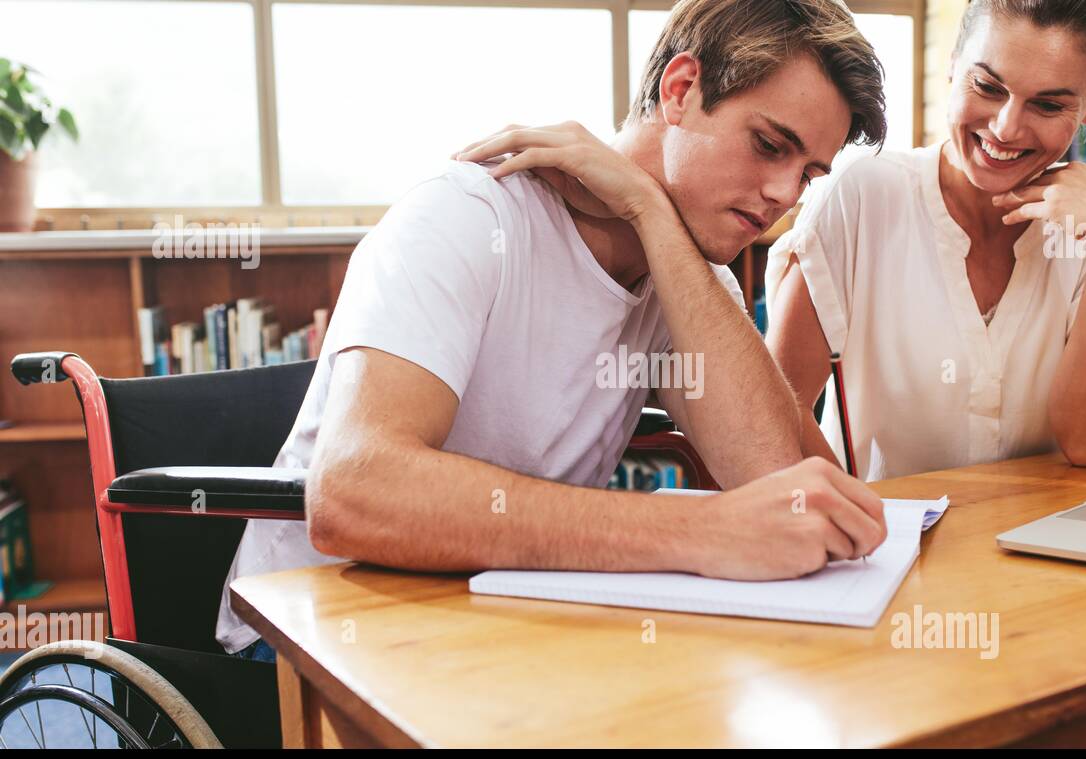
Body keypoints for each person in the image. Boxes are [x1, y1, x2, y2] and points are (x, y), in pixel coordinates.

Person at [220, 0, 890, 659]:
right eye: (769, 145)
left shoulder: (686, 274)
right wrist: (699, 528)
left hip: (492, 624)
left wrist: (647, 210)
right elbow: (353, 494)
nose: (783, 195)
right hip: (314, 633)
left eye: (807, 174)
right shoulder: (468, 213)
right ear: (681, 90)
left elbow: (787, 484)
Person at [765, 0, 1086, 481]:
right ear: (952, 67)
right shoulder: (861, 195)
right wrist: (861, 524)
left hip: (1047, 538)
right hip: (887, 543)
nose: (1006, 128)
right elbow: (771, 418)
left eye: (1047, 104)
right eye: (987, 86)